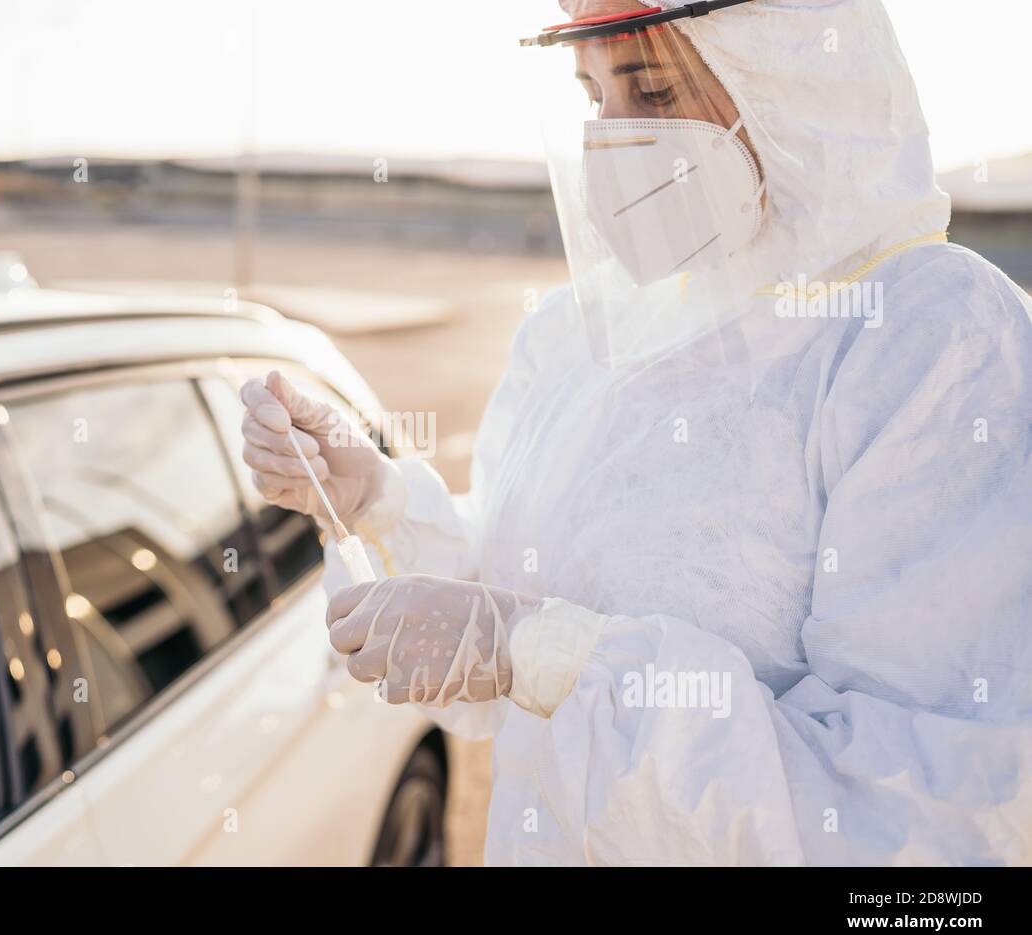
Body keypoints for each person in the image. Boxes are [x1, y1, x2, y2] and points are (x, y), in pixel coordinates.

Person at [240, 0, 1032, 865]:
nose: (612, 140)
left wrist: (551, 657)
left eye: (650, 88)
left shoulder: (929, 337)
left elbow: (933, 818)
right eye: (593, 97)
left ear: (788, 79)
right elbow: (517, 596)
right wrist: (377, 502)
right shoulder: (586, 330)